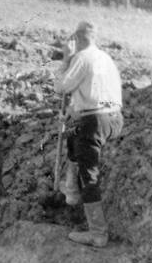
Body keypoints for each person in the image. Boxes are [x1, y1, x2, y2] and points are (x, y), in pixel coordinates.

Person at [53, 21, 123, 249]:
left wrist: (66, 59)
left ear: (76, 39)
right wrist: (73, 113)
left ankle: (97, 234)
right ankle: (71, 192)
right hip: (114, 119)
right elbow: (96, 93)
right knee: (74, 138)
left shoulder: (81, 58)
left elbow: (61, 87)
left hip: (96, 122)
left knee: (89, 177)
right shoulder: (105, 58)